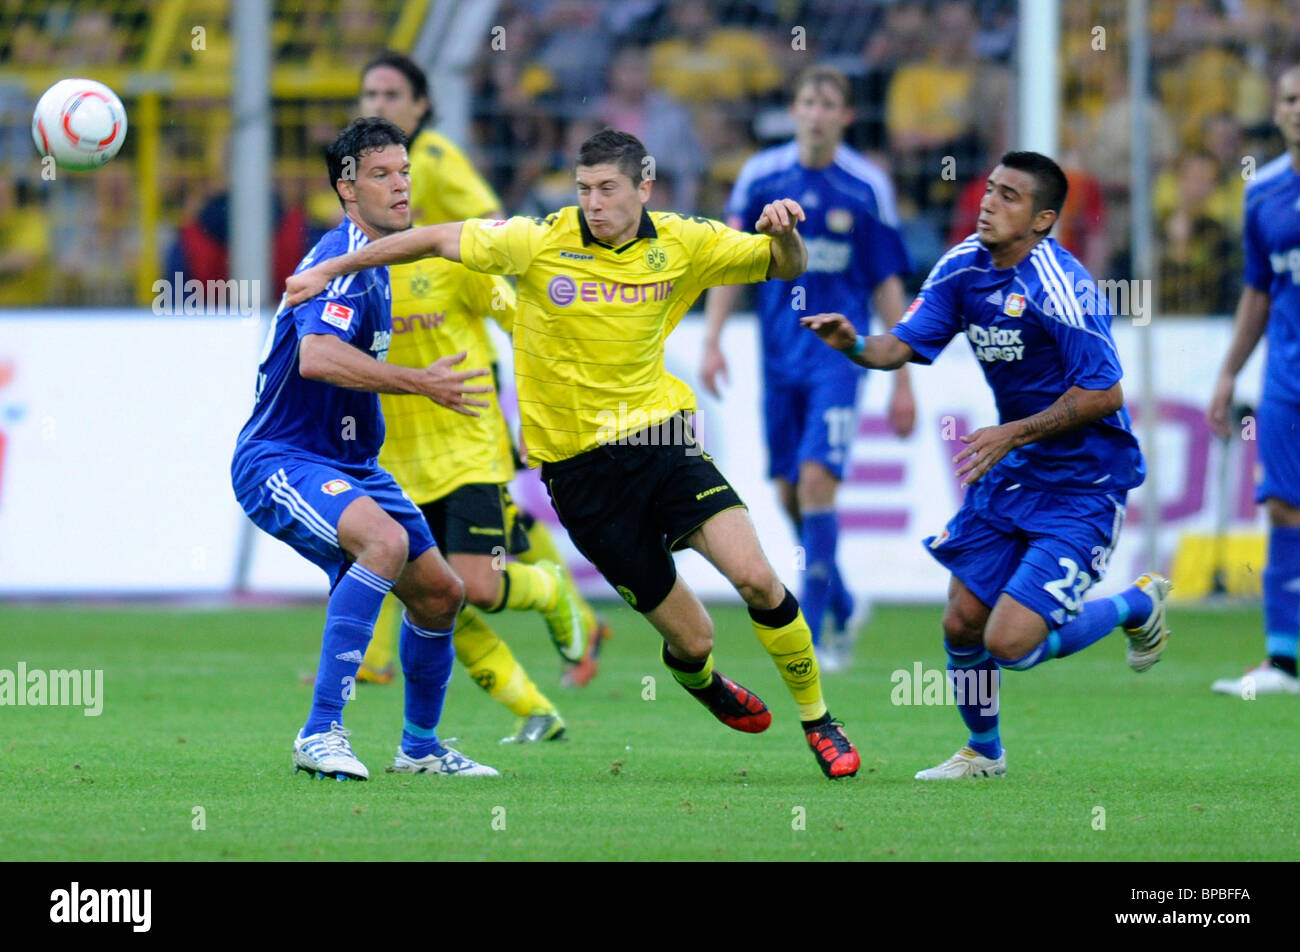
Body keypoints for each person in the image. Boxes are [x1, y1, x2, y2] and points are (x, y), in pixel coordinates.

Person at [285, 129, 862, 780]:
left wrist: (784, 231)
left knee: (757, 577)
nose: (593, 203)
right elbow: (436, 238)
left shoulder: (685, 242)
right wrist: (332, 268)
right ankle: (701, 679)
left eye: (607, 189)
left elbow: (784, 265)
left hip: (661, 441)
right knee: (693, 638)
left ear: (643, 188)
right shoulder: (538, 241)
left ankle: (819, 720)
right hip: (580, 478)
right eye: (583, 189)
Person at [803, 151, 1171, 779]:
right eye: (989, 190)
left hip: (1083, 483)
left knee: (1010, 644)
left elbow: (1104, 393)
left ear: (1043, 220)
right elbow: (903, 343)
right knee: (963, 620)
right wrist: (855, 344)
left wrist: (1013, 432)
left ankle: (1136, 606)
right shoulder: (962, 267)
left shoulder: (1062, 286)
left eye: (1008, 197)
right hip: (1013, 473)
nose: (988, 203)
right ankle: (983, 752)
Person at [231, 117, 498, 781]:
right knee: (384, 545)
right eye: (382, 174)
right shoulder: (340, 259)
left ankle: (420, 746)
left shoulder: (378, 260)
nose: (401, 184)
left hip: (353, 465)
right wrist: (422, 384)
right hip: (282, 458)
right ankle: (319, 732)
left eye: (404, 170)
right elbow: (319, 359)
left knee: (441, 594)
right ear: (348, 189)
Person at [359, 51, 610, 690]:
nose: (378, 105)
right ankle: (377, 657)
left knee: (483, 517)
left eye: (392, 94)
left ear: (420, 106)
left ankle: (565, 605)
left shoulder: (435, 162)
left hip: (457, 353)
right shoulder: (368, 168)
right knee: (421, 519)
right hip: (410, 371)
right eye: (369, 93)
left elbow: (495, 227)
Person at [700, 65, 914, 672]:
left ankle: (815, 636)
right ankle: (845, 600)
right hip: (777, 358)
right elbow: (729, 261)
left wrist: (901, 375)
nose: (816, 113)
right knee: (791, 492)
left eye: (828, 103)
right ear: (794, 111)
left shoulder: (867, 186)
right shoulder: (760, 176)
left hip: (838, 361)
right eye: (807, 101)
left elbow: (885, 282)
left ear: (845, 116)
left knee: (819, 482)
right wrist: (713, 339)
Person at [1206, 65, 1300, 696]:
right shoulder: (1262, 193)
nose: (1299, 108)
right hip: (1287, 379)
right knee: (1282, 507)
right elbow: (1258, 293)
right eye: (1292, 98)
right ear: (1277, 108)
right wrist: (1228, 373)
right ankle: (1284, 660)